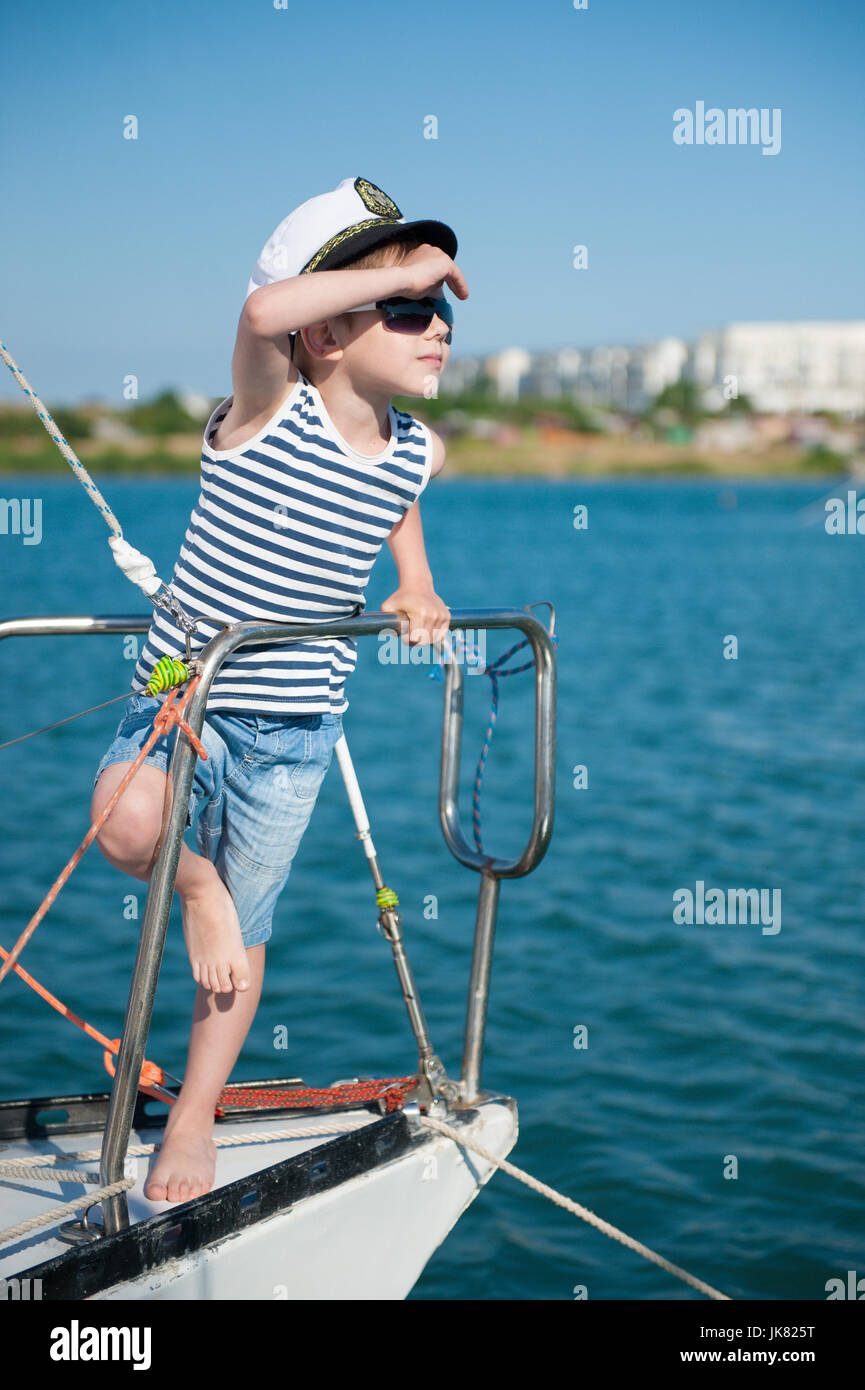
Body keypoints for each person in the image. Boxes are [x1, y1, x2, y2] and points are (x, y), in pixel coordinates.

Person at [90, 176, 468, 1204]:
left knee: (245, 940)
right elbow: (260, 314)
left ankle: (198, 1112)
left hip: (296, 724)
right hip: (185, 685)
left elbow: (395, 506)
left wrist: (416, 582)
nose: (435, 322)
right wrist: (405, 263)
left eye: (439, 310)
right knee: (127, 827)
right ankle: (196, 893)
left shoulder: (414, 449)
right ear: (327, 332)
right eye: (405, 308)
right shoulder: (264, 410)